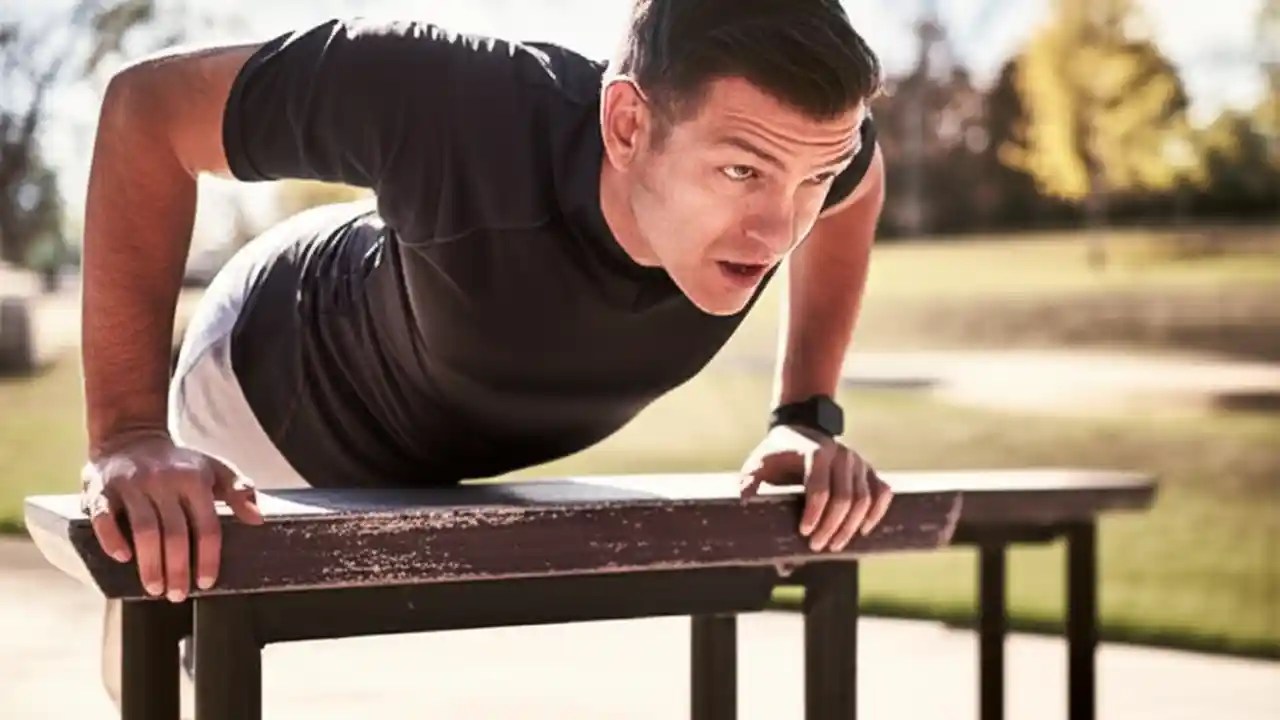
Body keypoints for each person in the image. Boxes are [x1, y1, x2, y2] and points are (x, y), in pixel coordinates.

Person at [79, 0, 893, 703]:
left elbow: (859, 183)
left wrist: (805, 416)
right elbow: (147, 111)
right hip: (271, 377)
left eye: (809, 182)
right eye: (741, 170)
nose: (779, 230)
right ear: (627, 123)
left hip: (436, 415)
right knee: (174, 640)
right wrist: (126, 432)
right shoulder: (458, 101)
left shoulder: (809, 148)